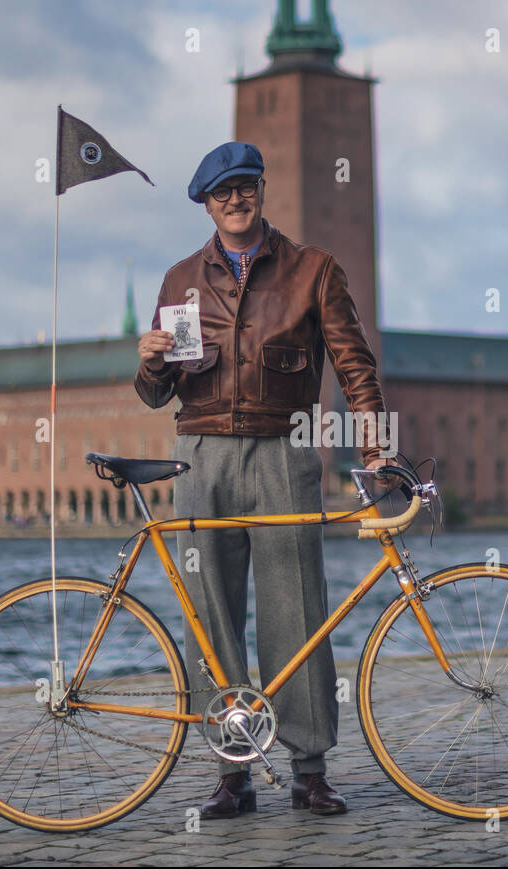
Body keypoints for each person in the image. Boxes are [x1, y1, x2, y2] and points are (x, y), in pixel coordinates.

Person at [134, 142, 392, 818]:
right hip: (202, 456)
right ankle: (233, 769)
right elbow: (153, 395)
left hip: (284, 452)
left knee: (297, 609)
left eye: (246, 187)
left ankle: (310, 769)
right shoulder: (180, 279)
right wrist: (153, 360)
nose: (236, 199)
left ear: (261, 191)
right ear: (207, 204)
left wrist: (373, 445)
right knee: (209, 615)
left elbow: (355, 364)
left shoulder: (314, 271)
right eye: (223, 193)